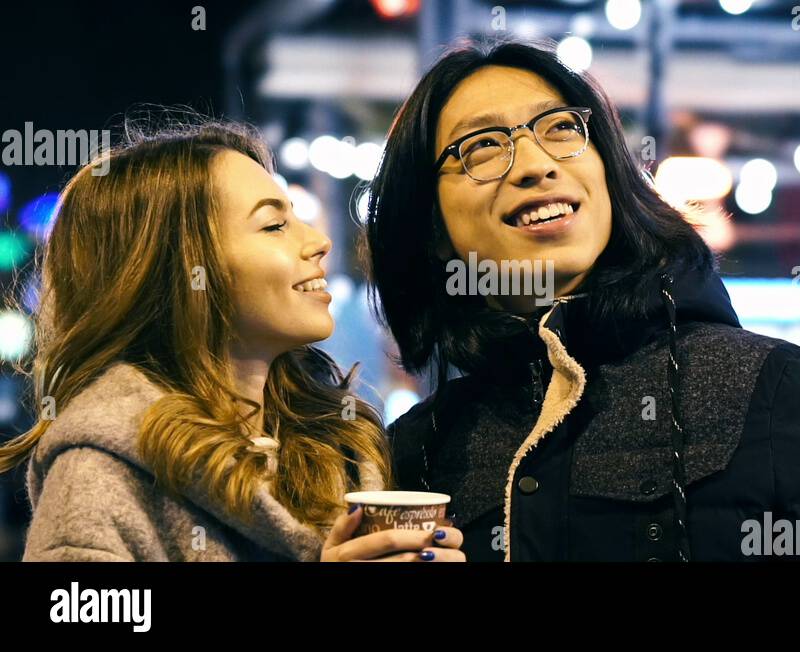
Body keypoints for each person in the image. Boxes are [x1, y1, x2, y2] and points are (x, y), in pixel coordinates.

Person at [364, 38, 800, 562]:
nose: (537, 164)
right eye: (483, 146)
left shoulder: (770, 388)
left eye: (560, 128)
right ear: (432, 228)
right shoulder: (418, 447)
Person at [0, 117, 464, 562]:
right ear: (182, 270)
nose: (320, 241)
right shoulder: (98, 472)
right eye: (274, 225)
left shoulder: (340, 448)